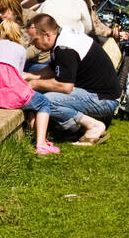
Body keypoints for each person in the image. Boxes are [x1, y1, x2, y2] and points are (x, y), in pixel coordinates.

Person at [25, 13, 121, 147]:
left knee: (45, 101)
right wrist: (28, 76)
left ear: (47, 35)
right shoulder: (64, 36)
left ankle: (91, 126)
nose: (32, 44)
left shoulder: (65, 49)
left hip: (104, 100)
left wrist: (34, 84)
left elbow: (65, 86)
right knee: (43, 94)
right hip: (100, 93)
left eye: (35, 39)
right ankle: (75, 127)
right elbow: (54, 69)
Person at [0, 20, 58, 153]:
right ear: (17, 35)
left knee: (30, 100)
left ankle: (33, 131)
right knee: (43, 102)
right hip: (11, 94)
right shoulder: (20, 49)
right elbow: (18, 77)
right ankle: (41, 143)